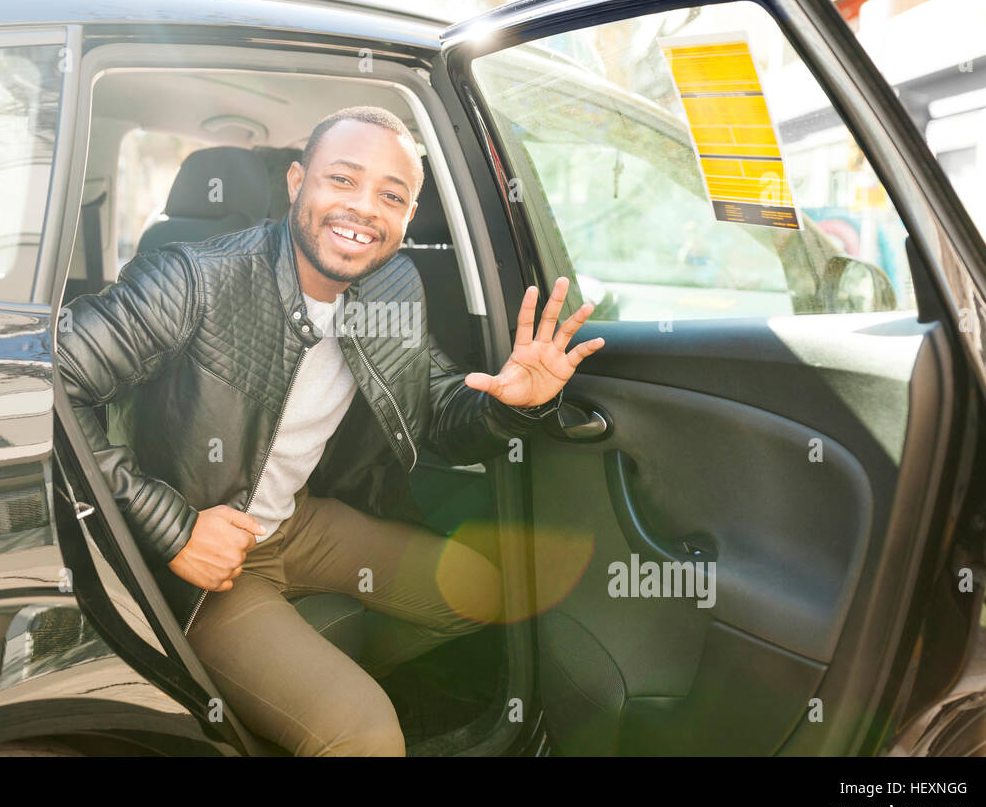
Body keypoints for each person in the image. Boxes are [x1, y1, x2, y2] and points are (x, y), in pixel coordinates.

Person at [56, 105, 605, 755]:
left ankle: (310, 679)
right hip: (201, 563)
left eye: (391, 195)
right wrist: (171, 526)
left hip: (300, 523)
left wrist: (512, 405)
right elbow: (50, 381)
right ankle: (317, 702)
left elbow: (433, 411)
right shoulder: (193, 278)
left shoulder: (391, 285)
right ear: (297, 183)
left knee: (485, 594)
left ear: (406, 218)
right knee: (364, 737)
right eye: (342, 180)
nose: (364, 207)